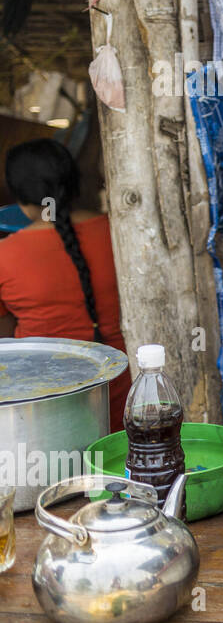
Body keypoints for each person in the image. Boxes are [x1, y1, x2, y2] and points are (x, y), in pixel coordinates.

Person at [0, 139, 129, 432]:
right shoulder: (120, 232)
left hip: (44, 413)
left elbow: (5, 341)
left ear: (19, 197)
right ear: (74, 183)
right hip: (128, 399)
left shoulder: (5, 256)